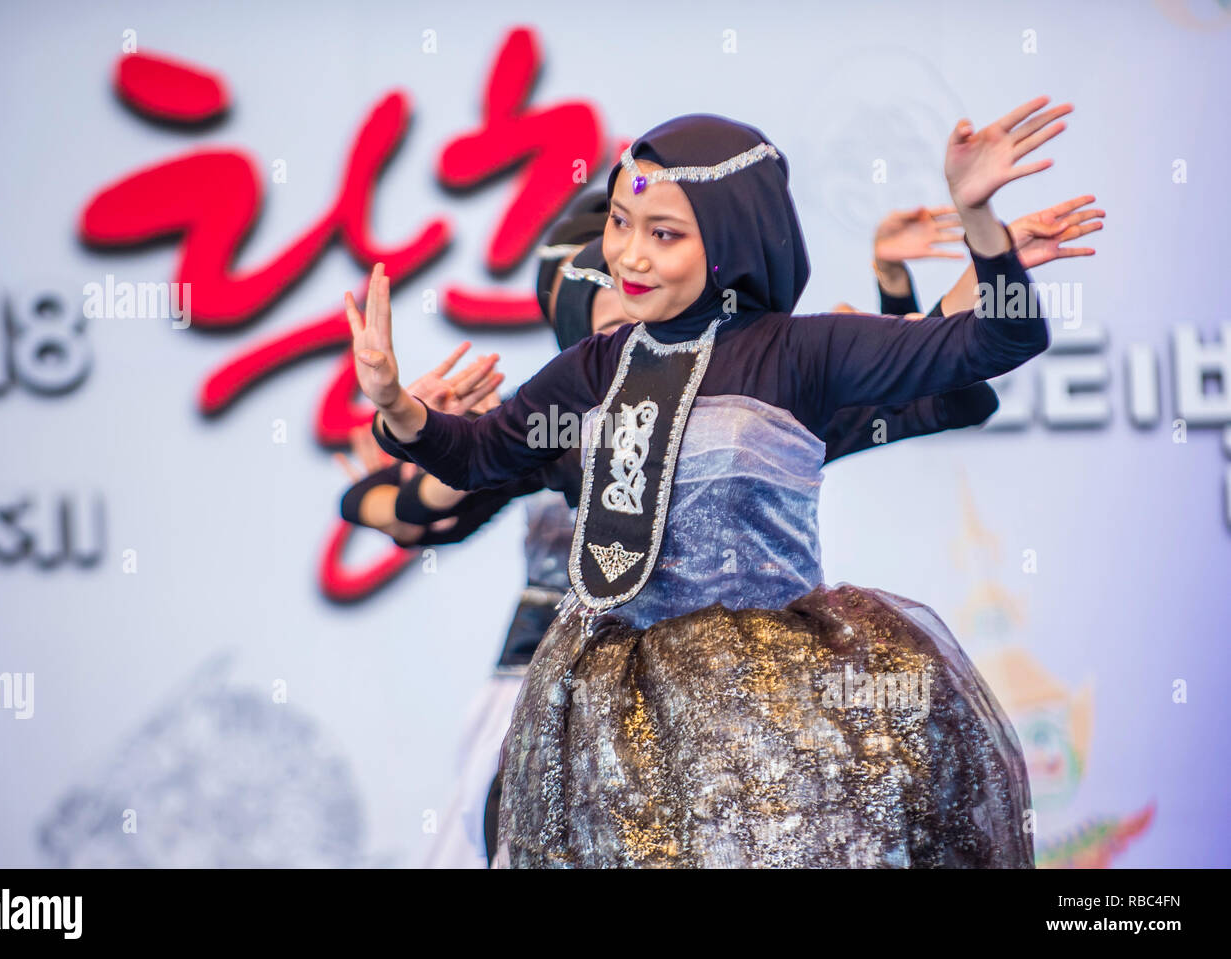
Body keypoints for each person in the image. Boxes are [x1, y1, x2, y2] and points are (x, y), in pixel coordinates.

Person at [348, 100, 1069, 868]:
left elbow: (1002, 338)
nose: (630, 255)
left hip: (772, 701)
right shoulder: (598, 365)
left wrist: (978, 219)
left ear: (726, 241)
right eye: (621, 224)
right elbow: (483, 455)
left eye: (664, 234)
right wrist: (398, 404)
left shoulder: (798, 352)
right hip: (616, 706)